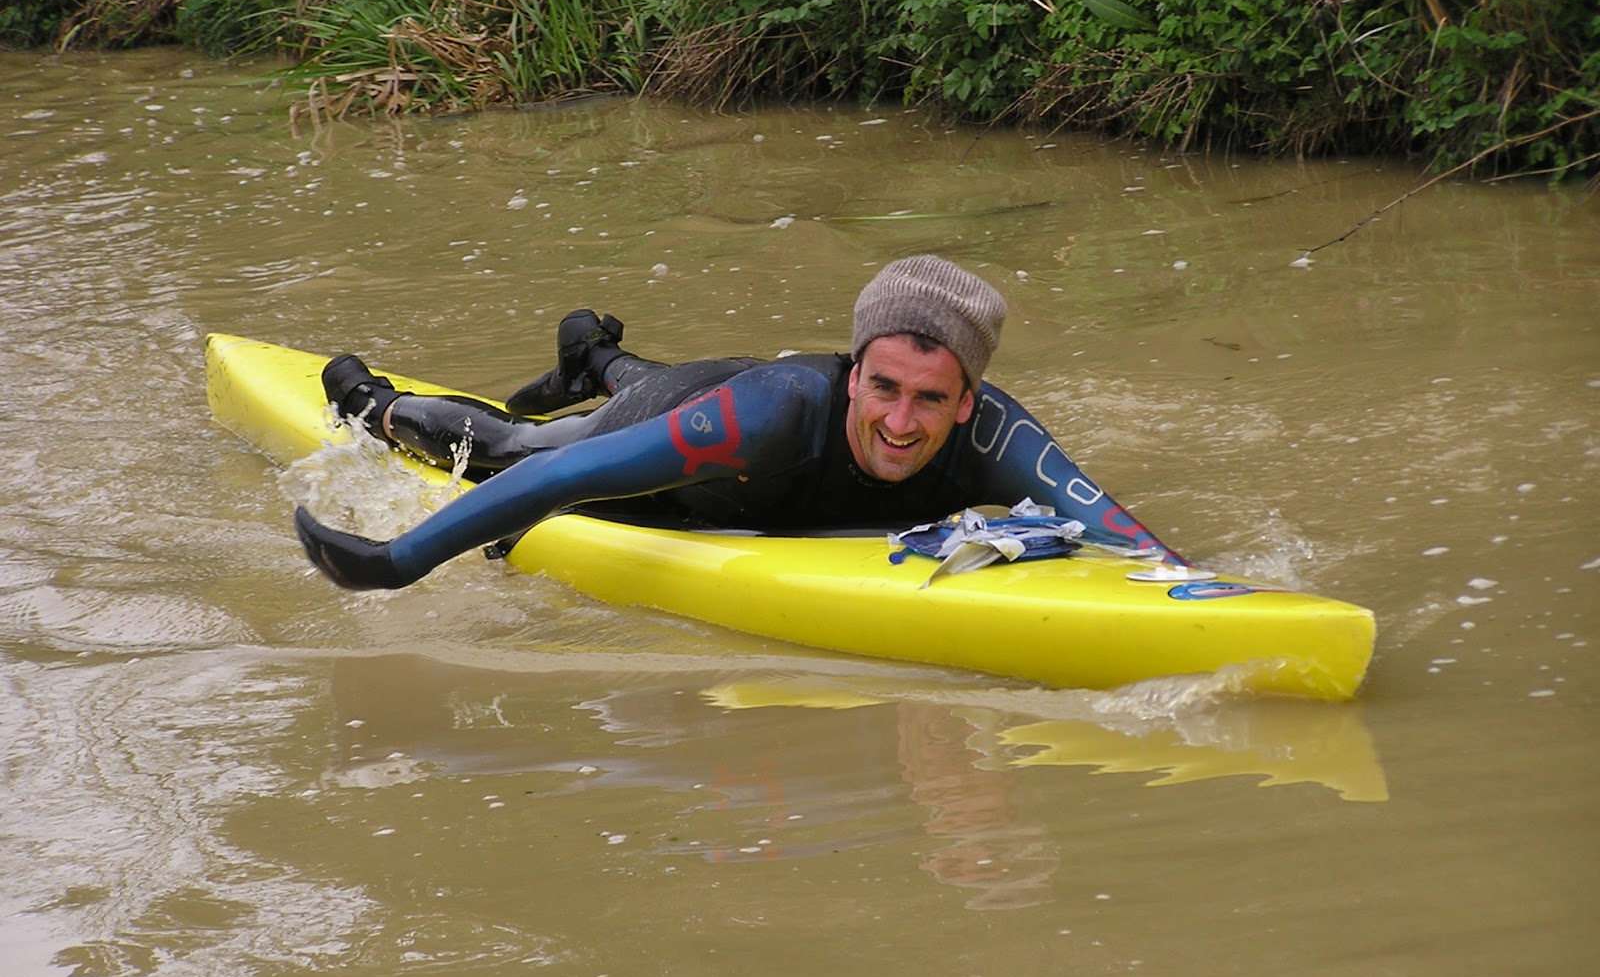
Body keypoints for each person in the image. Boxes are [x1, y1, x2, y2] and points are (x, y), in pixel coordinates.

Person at [295, 255, 1184, 589]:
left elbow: (1136, 545)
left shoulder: (1001, 438)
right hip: (703, 429)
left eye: (931, 400)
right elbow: (555, 480)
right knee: (516, 447)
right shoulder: (770, 415)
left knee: (623, 404)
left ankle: (592, 357)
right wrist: (397, 562)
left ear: (969, 402)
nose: (902, 422)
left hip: (720, 419)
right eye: (884, 389)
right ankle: (369, 397)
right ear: (851, 379)